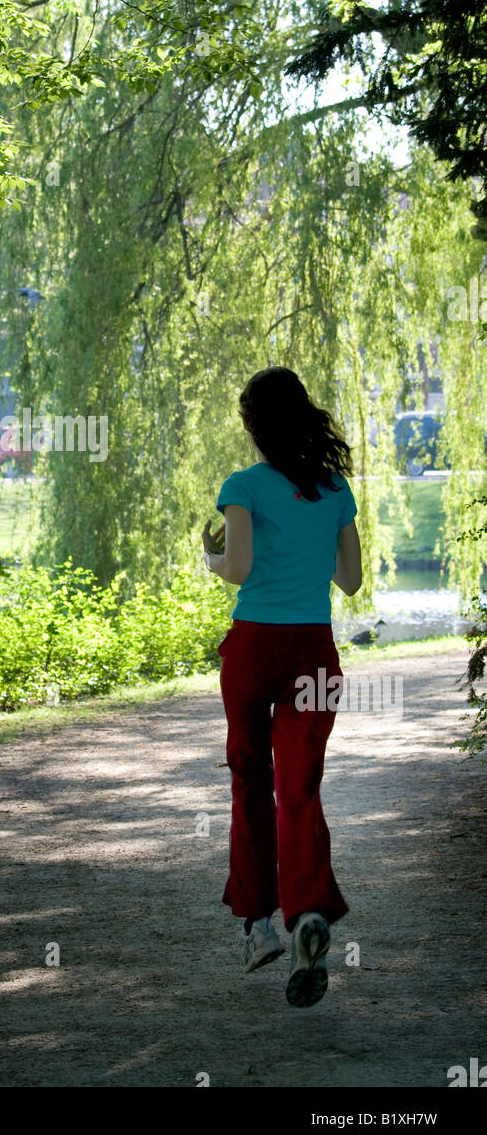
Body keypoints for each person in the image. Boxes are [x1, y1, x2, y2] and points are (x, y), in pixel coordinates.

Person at [202, 366, 362, 1008]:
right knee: (299, 787)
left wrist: (210, 555)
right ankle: (309, 916)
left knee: (250, 777)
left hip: (254, 649)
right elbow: (349, 581)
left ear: (252, 426)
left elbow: (236, 569)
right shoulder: (335, 489)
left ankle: (259, 925)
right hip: (314, 653)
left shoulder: (242, 487)